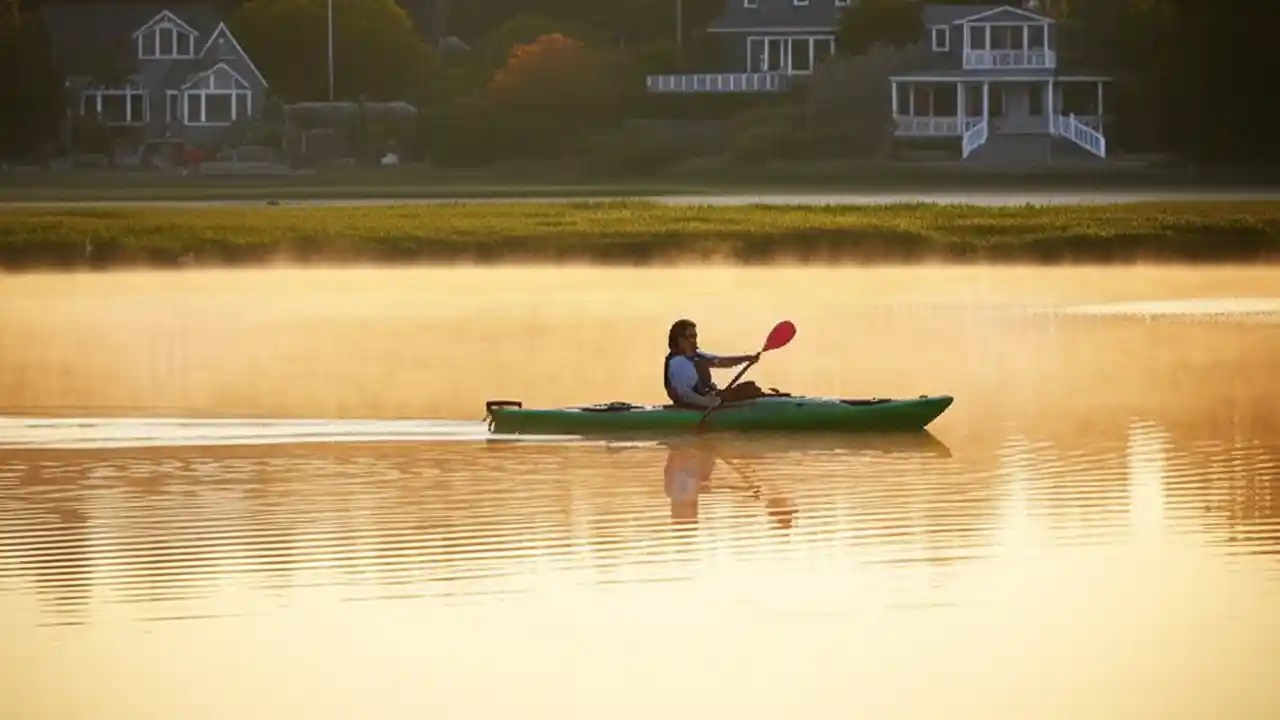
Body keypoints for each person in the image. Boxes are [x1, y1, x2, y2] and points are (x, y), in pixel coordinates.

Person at [663, 318, 766, 409]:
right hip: (696, 406)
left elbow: (721, 361)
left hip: (711, 399)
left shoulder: (697, 356)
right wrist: (708, 402)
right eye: (691, 337)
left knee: (750, 387)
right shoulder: (677, 363)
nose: (694, 340)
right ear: (680, 339)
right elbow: (684, 395)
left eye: (695, 336)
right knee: (747, 391)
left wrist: (747, 358)